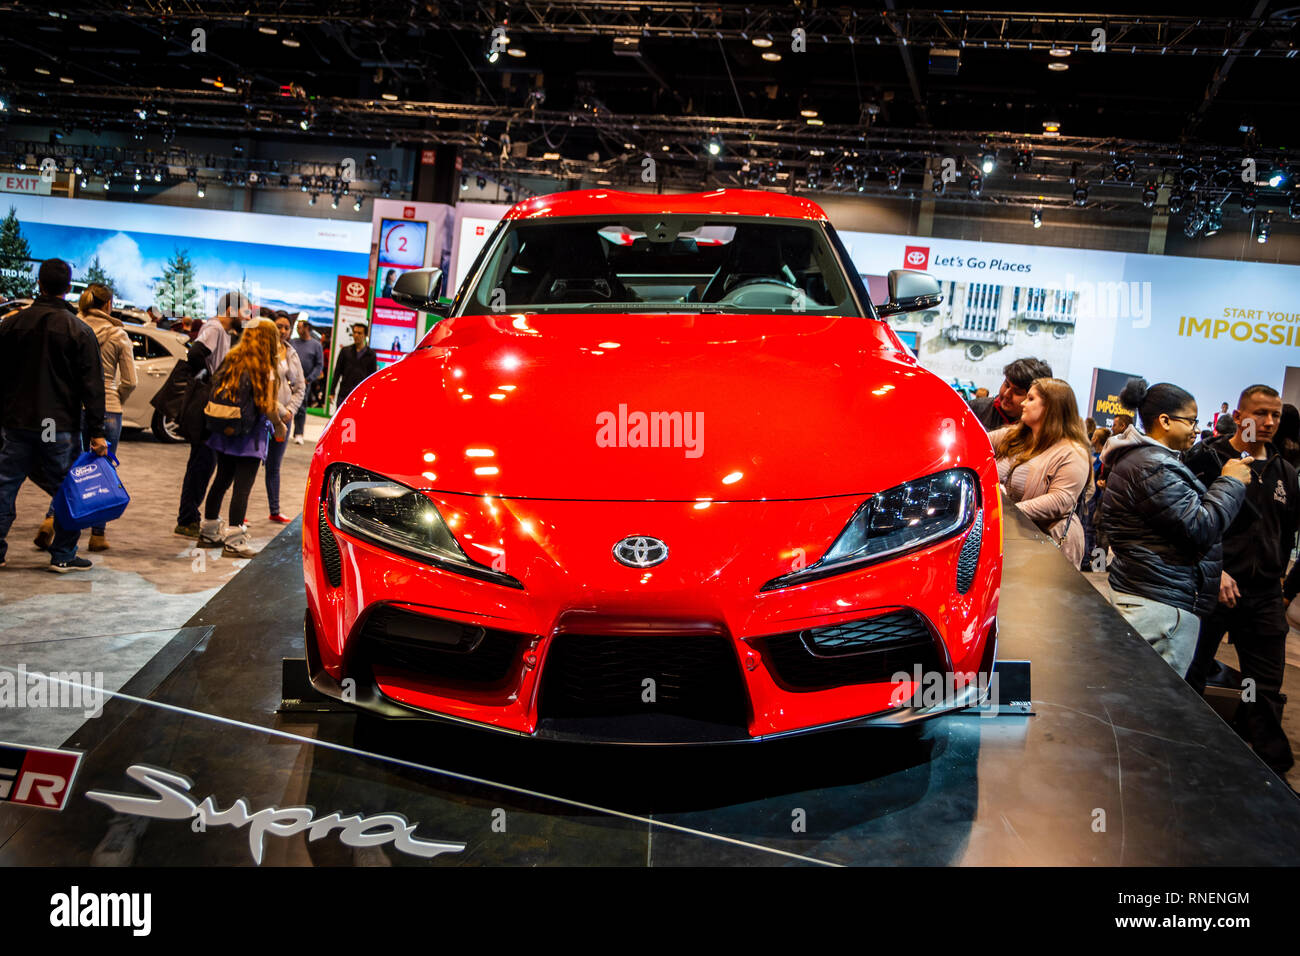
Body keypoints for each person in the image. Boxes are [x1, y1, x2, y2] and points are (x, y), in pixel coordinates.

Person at [1098, 378, 1250, 677]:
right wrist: (1230, 481)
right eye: (1190, 421)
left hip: (1149, 594)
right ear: (1165, 421)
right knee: (1153, 698)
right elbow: (1201, 527)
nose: (1196, 429)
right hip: (1159, 606)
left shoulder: (1143, 459)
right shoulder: (1154, 466)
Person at [1184, 384, 1296, 773]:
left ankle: (1268, 772)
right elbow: (1186, 525)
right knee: (1191, 675)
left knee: (1264, 688)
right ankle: (1181, 754)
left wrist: (1282, 585)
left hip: (1263, 594)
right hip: (1210, 586)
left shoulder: (1284, 472)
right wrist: (1216, 571)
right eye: (1260, 413)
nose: (1268, 422)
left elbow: (1287, 534)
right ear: (1239, 416)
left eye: (1275, 415)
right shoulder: (1206, 459)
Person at [0, 259, 108, 572]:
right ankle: (63, 554)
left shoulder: (11, 324)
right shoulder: (79, 330)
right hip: (54, 424)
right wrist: (97, 432)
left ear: (39, 284)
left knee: (5, 486)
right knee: (67, 488)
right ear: (68, 288)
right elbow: (93, 386)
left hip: (15, 421)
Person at [33, 284, 136, 553]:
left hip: (71, 407)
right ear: (108, 304)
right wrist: (115, 398)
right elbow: (130, 381)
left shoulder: (70, 327)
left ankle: (52, 519)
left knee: (70, 470)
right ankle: (97, 535)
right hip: (108, 408)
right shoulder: (118, 334)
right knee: (102, 470)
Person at [200, 320, 284, 558]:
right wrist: (279, 425)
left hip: (225, 429)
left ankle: (208, 533)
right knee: (242, 488)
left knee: (221, 481)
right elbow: (267, 406)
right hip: (250, 437)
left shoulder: (232, 358)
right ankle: (235, 541)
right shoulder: (265, 367)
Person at [989, 377, 1093, 568]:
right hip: (1009, 537)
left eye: (1030, 399)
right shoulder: (1012, 436)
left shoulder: (1072, 452)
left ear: (1051, 407)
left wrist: (1008, 511)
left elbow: (1060, 499)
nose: (1023, 403)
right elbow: (977, 442)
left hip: (1046, 542)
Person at [175, 292, 250, 538]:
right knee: (201, 464)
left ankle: (190, 517)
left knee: (204, 464)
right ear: (230, 310)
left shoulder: (223, 331)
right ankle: (187, 519)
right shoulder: (215, 328)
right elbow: (195, 354)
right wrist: (212, 379)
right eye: (243, 312)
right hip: (206, 407)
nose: (245, 317)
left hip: (210, 405)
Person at [265, 313, 305, 523]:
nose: (282, 331)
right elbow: (264, 388)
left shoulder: (292, 353)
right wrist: (281, 410)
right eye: (279, 326)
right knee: (248, 465)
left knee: (274, 465)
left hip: (286, 419)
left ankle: (275, 510)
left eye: (286, 328)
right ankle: (239, 516)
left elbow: (300, 386)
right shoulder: (263, 350)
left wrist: (290, 411)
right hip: (264, 416)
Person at [968, 357, 1053, 431]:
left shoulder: (1044, 429)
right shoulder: (976, 408)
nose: (1006, 394)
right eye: (1006, 385)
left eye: (1017, 392)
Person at [290, 318, 324, 443]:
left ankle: (298, 433)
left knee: (301, 407)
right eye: (297, 328)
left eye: (300, 327)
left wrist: (309, 379)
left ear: (307, 328)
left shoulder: (316, 345)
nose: (298, 330)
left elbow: (319, 365)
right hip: (290, 379)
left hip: (304, 381)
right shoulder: (293, 342)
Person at [331, 322, 377, 406]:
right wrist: (332, 391)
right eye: (354, 332)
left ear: (365, 335)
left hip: (361, 395)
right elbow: (337, 372)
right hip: (344, 394)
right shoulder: (345, 351)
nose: (356, 335)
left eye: (359, 333)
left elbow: (372, 378)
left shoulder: (371, 354)